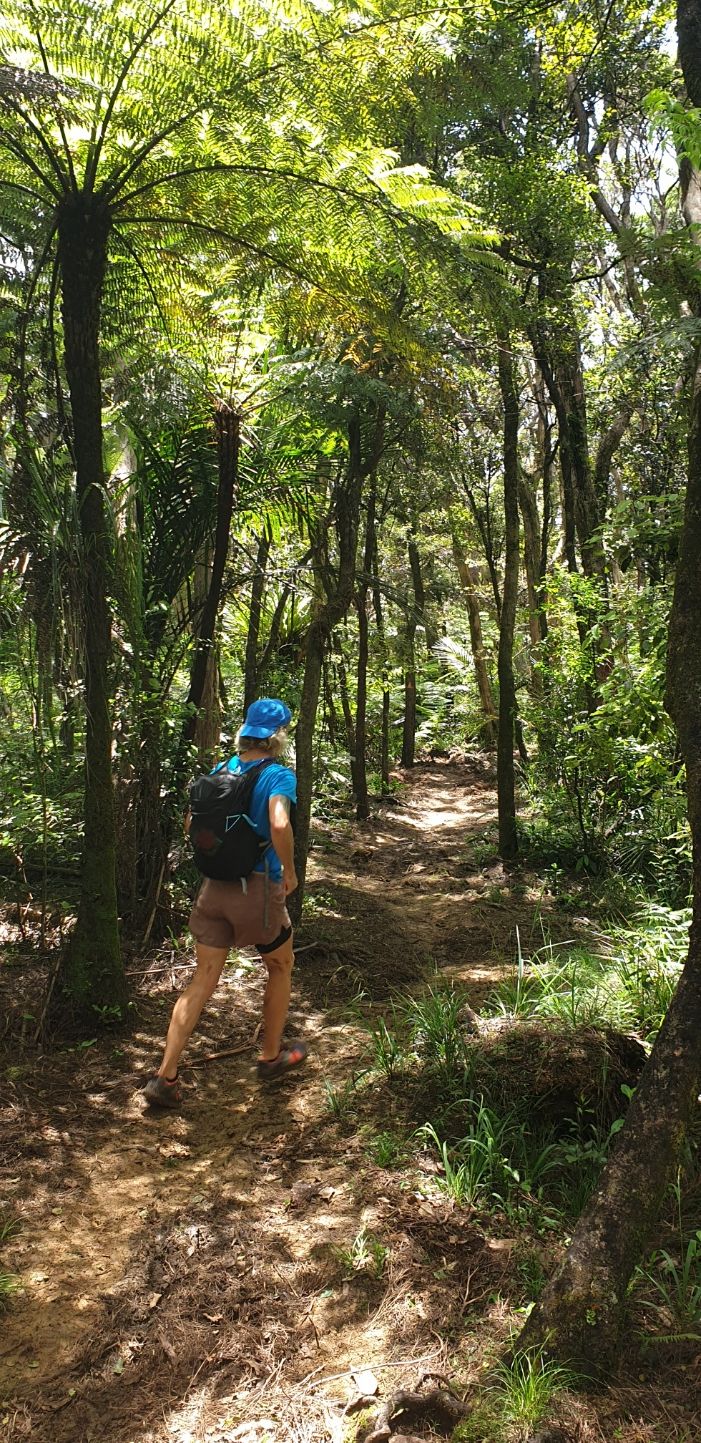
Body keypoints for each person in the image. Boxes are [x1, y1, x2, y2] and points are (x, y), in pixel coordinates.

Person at [143, 697, 306, 1107]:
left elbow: (190, 823)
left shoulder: (221, 770)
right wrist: (288, 871)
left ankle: (165, 1077)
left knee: (202, 979)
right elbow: (279, 823)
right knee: (280, 965)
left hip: (213, 889)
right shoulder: (277, 775)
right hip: (257, 892)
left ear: (246, 733)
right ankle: (270, 1057)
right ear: (278, 737)